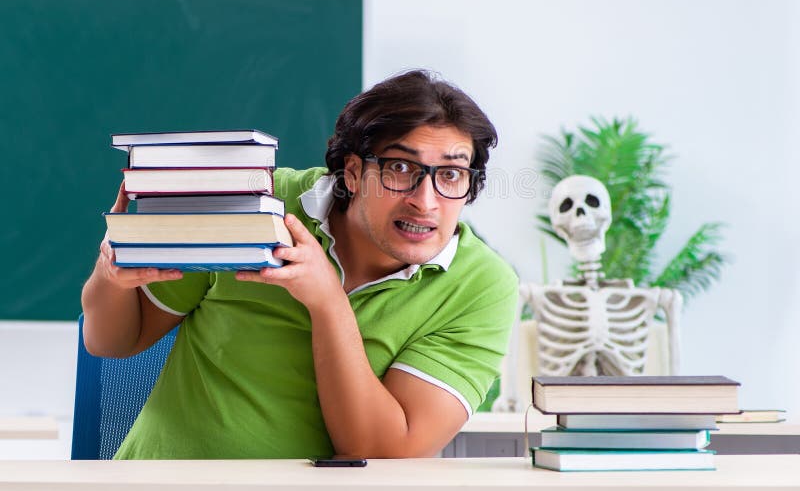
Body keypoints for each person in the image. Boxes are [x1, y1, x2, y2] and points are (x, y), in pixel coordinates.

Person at [81, 69, 519, 459]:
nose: (425, 202)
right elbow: (116, 342)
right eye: (400, 168)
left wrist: (327, 301)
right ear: (351, 172)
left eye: (450, 175)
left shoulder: (481, 286)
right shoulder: (259, 206)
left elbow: (381, 451)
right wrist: (110, 277)